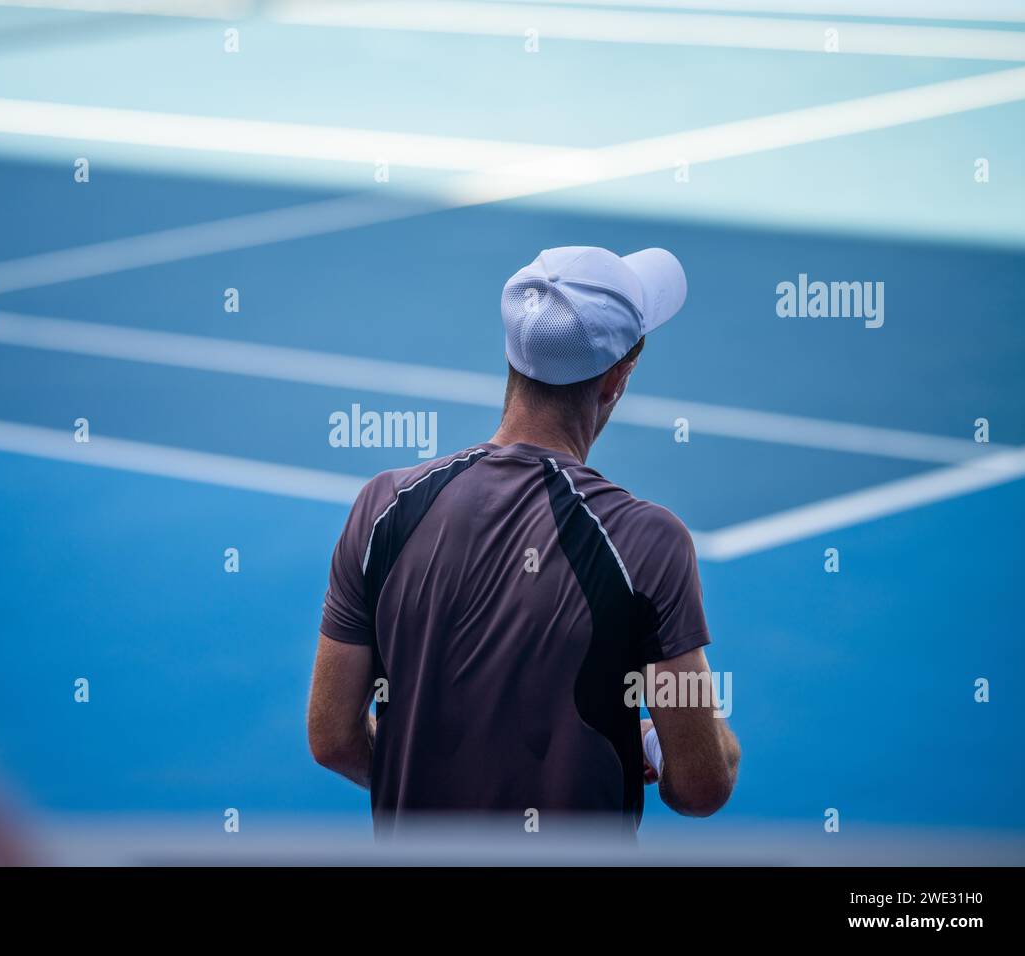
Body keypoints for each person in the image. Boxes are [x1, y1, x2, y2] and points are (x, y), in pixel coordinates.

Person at [308, 246, 739, 836]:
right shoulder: (648, 542)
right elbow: (699, 785)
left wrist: (439, 788)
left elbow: (333, 738)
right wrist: (691, 741)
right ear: (617, 378)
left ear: (514, 354)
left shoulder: (382, 507)